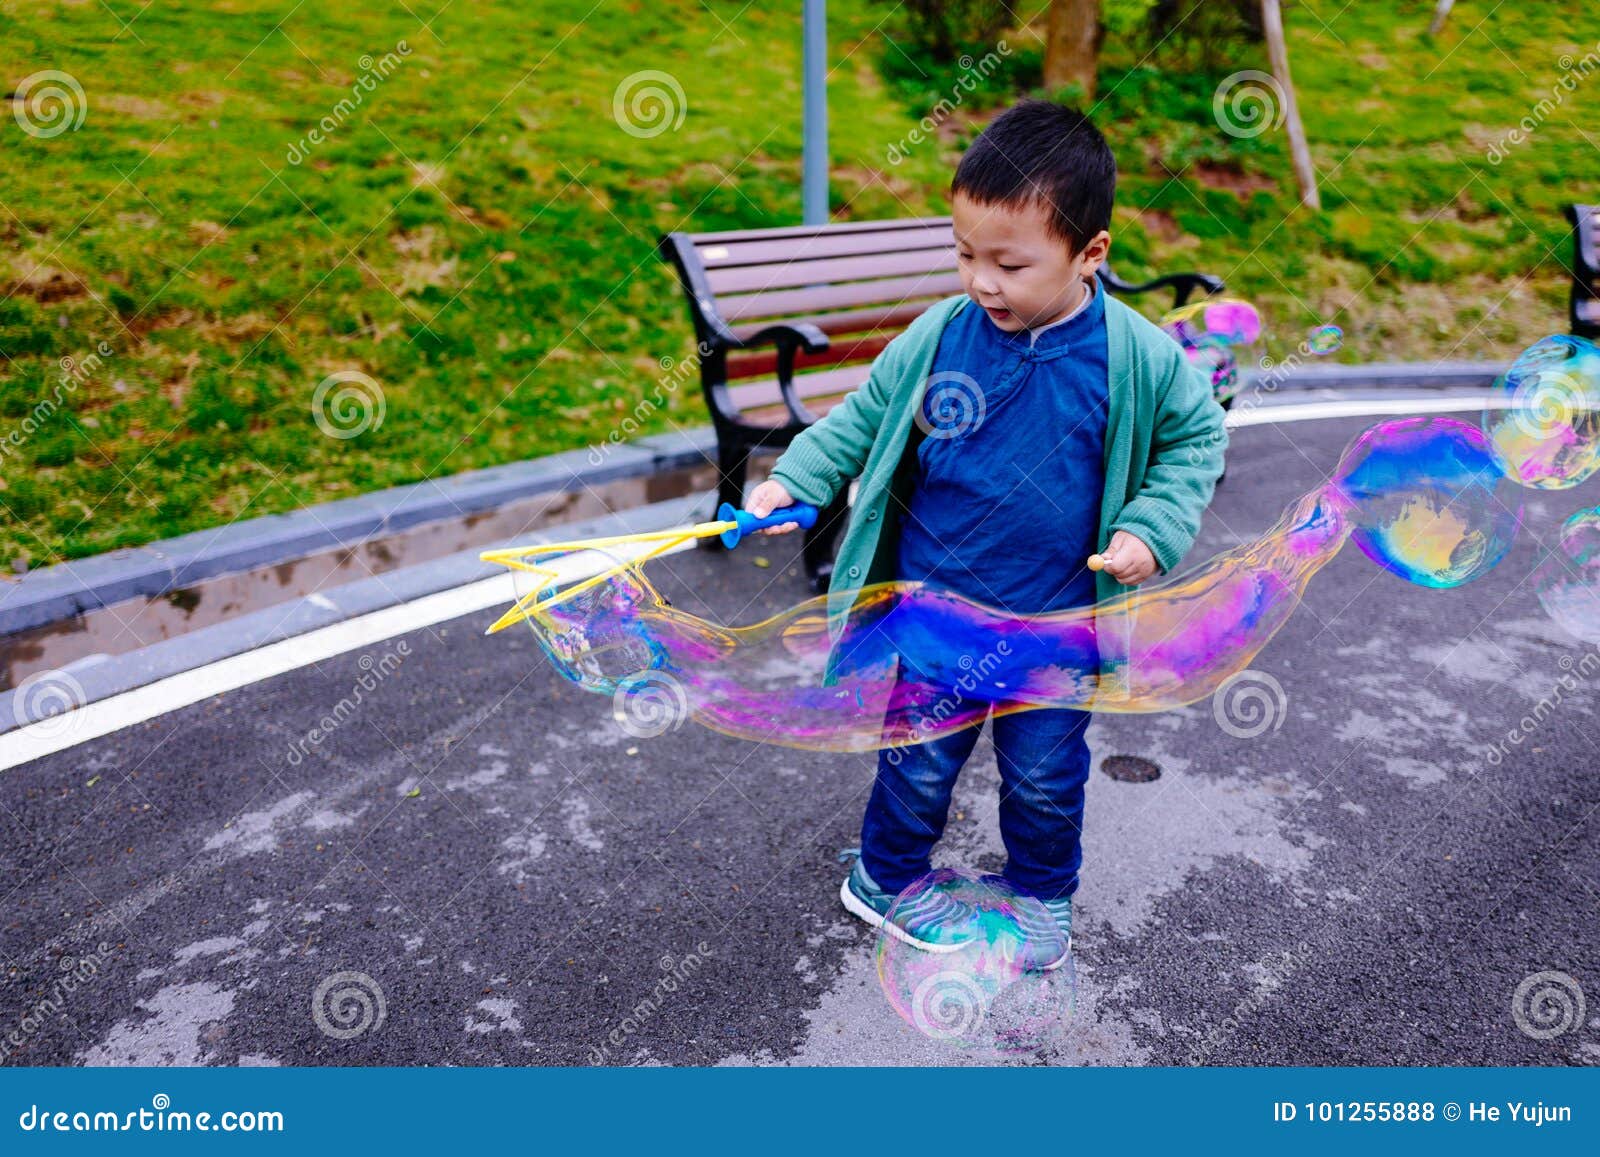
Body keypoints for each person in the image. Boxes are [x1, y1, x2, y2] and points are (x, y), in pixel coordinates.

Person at [746, 98, 1228, 964]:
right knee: (920, 761)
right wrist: (797, 476)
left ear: (1091, 254)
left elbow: (1196, 440)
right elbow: (861, 417)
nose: (980, 281)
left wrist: (1150, 529)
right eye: (965, 253)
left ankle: (1042, 895)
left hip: (1056, 622)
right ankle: (885, 878)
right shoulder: (941, 335)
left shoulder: (1137, 355)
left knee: (1046, 776)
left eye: (1008, 263)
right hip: (939, 611)